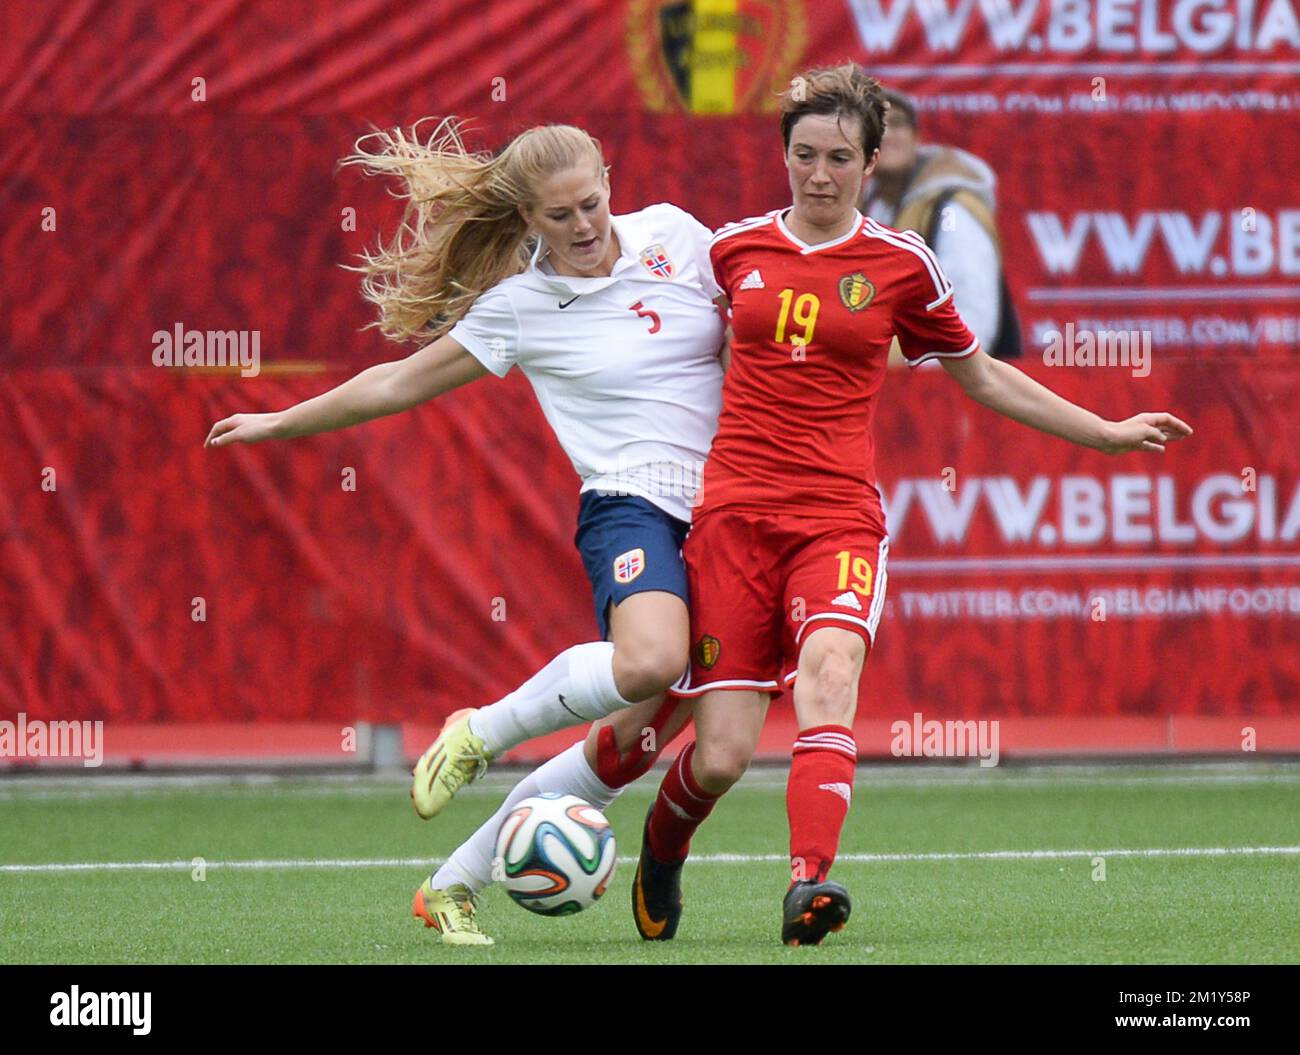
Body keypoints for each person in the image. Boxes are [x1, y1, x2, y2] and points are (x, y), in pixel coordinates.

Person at [630, 63, 1193, 947]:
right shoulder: (731, 250)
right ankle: (663, 847)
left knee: (831, 678)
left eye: (839, 157)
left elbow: (983, 373)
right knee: (721, 755)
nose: (820, 174)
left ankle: (808, 883)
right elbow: (667, 356)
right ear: (784, 155)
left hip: (837, 518)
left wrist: (1107, 433)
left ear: (873, 159)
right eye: (805, 155)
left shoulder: (902, 263)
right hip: (733, 519)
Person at [204, 119, 729, 944]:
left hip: (731, 509)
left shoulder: (677, 235)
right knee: (652, 662)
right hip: (631, 502)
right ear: (526, 220)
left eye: (590, 203)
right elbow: (393, 384)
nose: (583, 226)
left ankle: (450, 886)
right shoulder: (517, 309)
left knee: (634, 740)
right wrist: (279, 424)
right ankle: (483, 728)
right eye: (559, 217)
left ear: (609, 178)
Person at [863, 87, 1020, 361]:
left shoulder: (951, 212)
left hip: (950, 393)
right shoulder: (872, 211)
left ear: (917, 139)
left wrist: (907, 367)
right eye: (876, 125)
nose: (886, 133)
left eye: (898, 123)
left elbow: (974, 326)